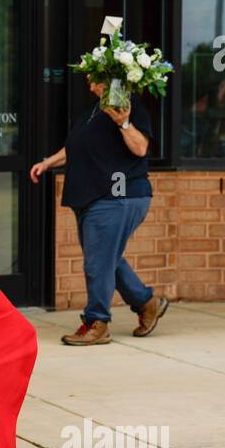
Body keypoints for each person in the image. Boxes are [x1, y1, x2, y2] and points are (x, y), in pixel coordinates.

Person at [30, 78, 169, 346]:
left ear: (114, 81)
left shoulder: (129, 108)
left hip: (118, 195)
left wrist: (124, 123)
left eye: (97, 83)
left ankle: (97, 322)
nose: (92, 88)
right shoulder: (93, 112)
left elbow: (140, 148)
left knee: (98, 262)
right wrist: (48, 163)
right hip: (92, 197)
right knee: (105, 259)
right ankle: (146, 302)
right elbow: (75, 148)